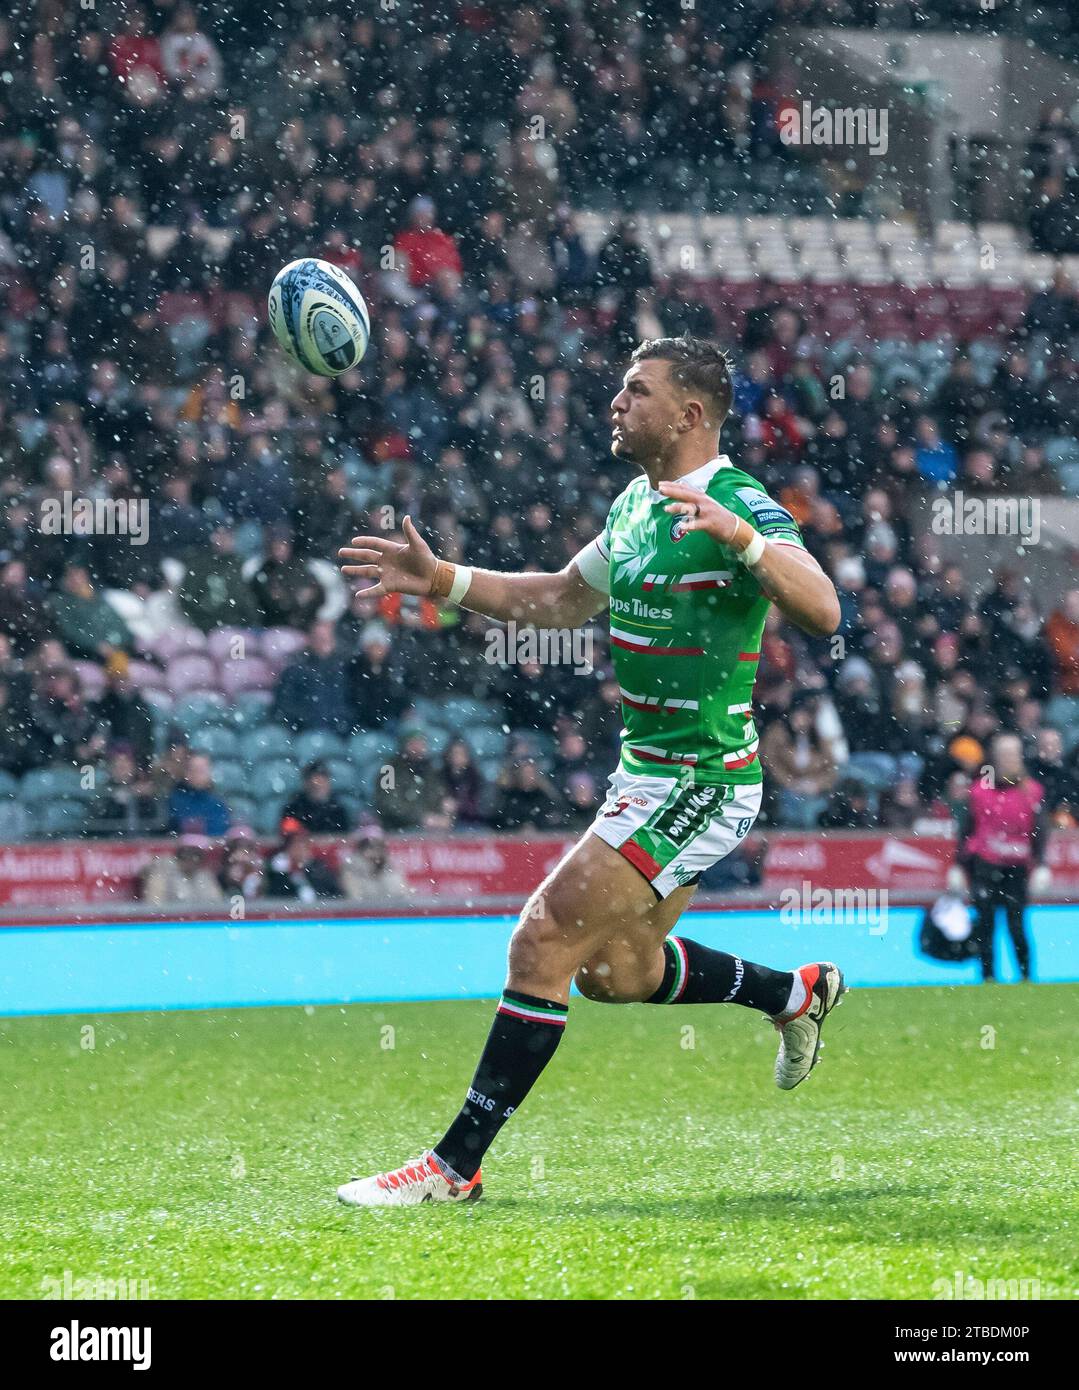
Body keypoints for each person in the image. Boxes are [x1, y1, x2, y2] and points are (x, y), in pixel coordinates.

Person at [336, 334, 844, 1206]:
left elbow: (824, 608)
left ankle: (453, 1167)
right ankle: (792, 994)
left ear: (689, 413)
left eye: (635, 391)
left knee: (539, 941)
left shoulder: (736, 500)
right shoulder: (637, 507)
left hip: (701, 780)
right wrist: (443, 581)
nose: (617, 403)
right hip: (644, 774)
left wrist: (746, 545)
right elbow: (561, 599)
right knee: (618, 974)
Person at [949, 734, 1050, 982]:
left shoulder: (1032, 792)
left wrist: (1041, 865)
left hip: (1017, 867)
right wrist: (958, 866)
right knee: (985, 925)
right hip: (984, 865)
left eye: (1014, 753)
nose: (1010, 759)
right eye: (1005, 754)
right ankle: (988, 978)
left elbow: (1040, 831)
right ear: (994, 758)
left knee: (1017, 926)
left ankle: (1026, 978)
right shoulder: (979, 792)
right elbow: (967, 831)